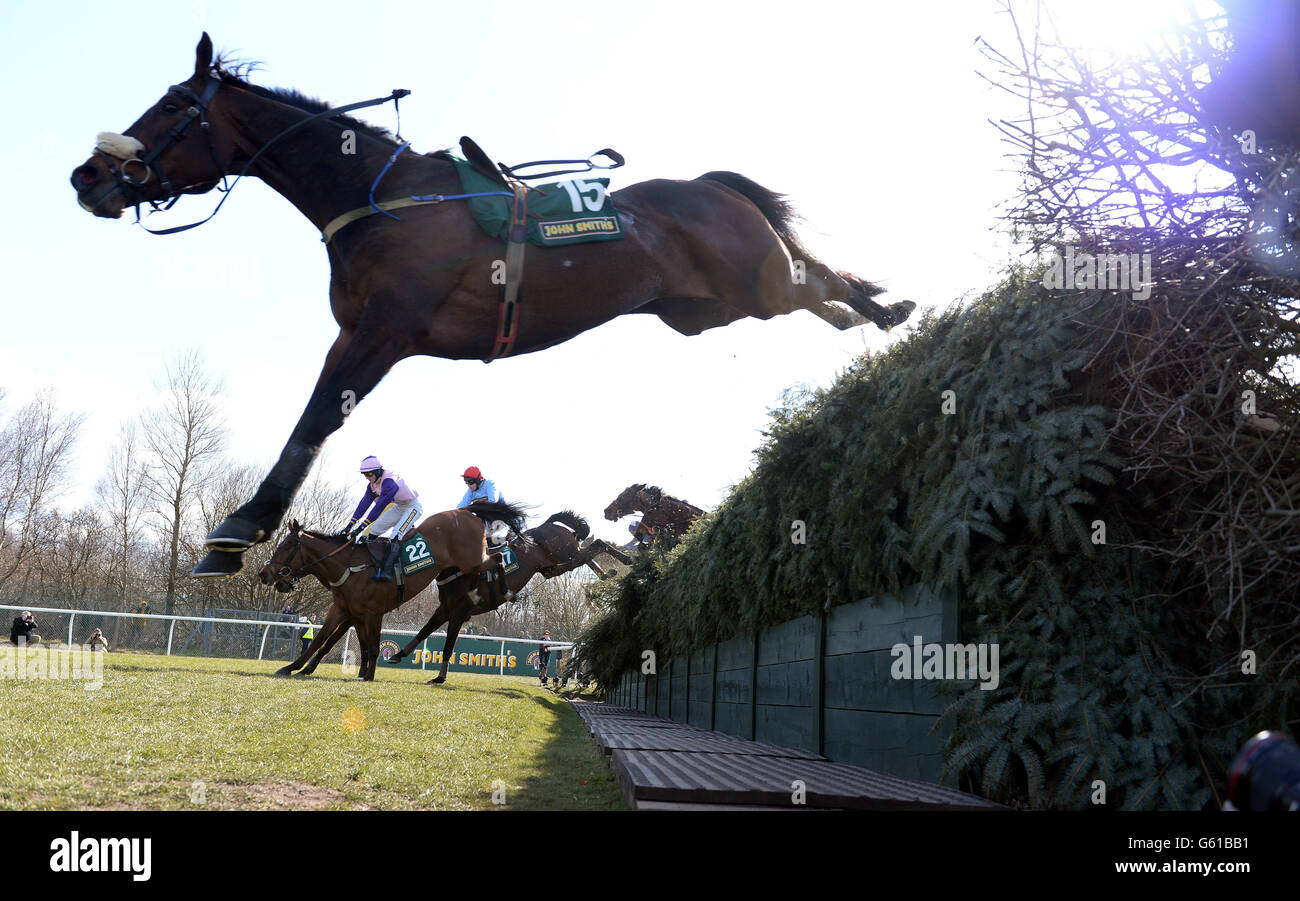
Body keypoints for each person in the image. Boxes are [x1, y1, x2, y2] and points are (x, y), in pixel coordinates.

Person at [346, 456, 424, 583]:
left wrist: (360, 527)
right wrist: (350, 525)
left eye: (369, 473)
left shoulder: (389, 482)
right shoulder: (372, 485)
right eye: (364, 474)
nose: (367, 477)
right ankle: (372, 564)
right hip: (400, 507)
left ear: (378, 471)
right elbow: (364, 504)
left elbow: (379, 506)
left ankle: (388, 571)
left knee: (395, 535)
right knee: (374, 530)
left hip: (413, 507)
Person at [458, 466, 509, 546]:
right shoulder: (470, 492)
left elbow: (492, 502)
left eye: (470, 482)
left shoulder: (490, 484)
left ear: (478, 480)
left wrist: (473, 507)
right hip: (485, 522)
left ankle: (503, 548)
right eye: (466, 482)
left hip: (498, 518)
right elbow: (460, 507)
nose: (468, 485)